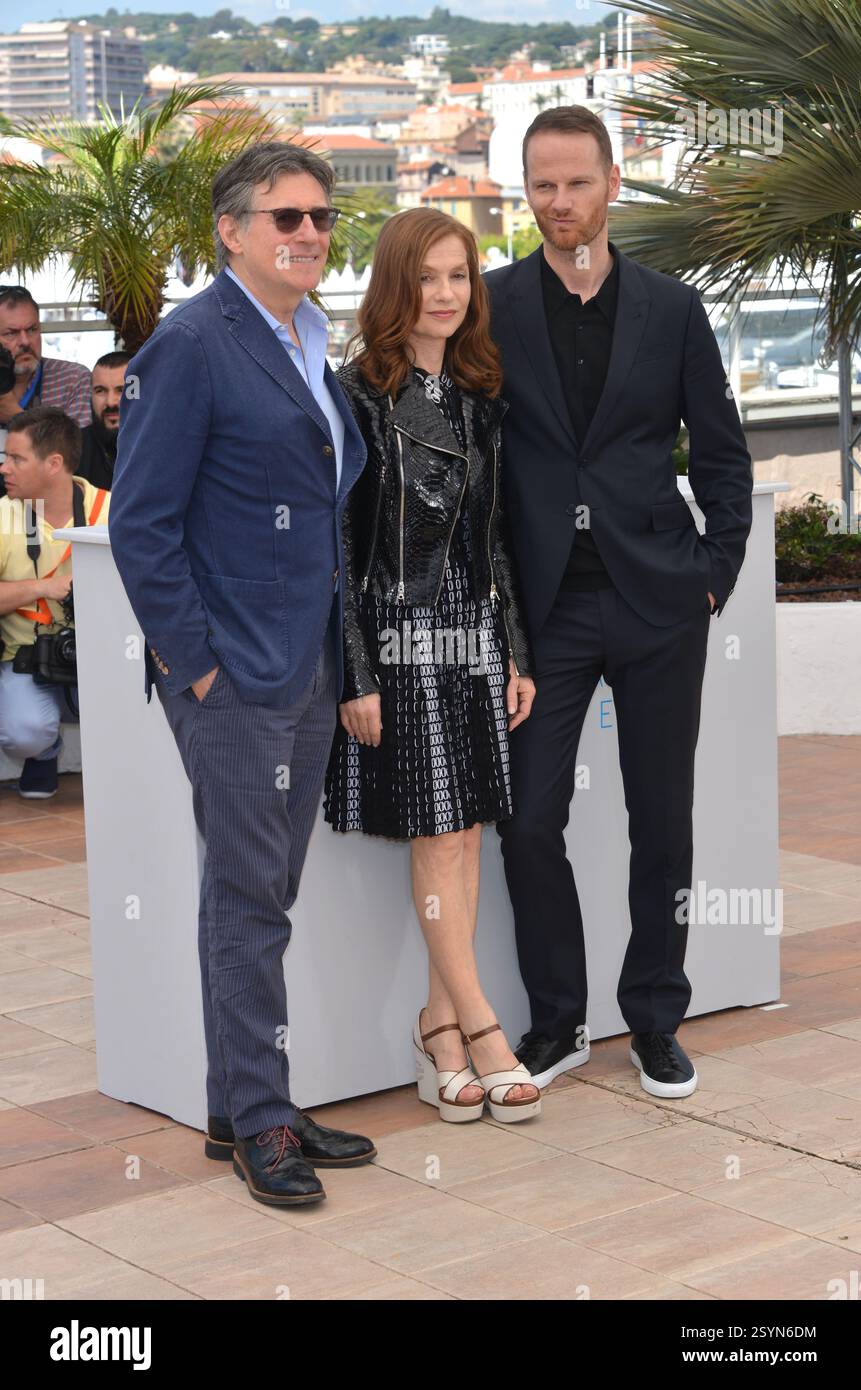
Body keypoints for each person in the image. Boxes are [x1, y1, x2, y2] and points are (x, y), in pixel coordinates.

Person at [107, 141, 376, 1208]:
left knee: (264, 890)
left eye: (319, 216)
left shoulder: (308, 335)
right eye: (285, 217)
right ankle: (262, 1121)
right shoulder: (191, 343)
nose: (309, 232)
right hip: (236, 679)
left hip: (304, 662)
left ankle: (242, 1101)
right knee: (249, 896)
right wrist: (198, 669)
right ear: (230, 230)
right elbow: (141, 523)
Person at [484, 106, 753, 1099]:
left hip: (656, 601)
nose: (560, 203)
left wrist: (712, 577)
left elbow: (724, 460)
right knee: (526, 820)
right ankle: (558, 1021)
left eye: (577, 183)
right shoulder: (491, 303)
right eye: (543, 186)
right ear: (527, 192)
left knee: (664, 822)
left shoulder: (672, 311)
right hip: (542, 610)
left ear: (612, 183)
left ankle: (655, 1018)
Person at [323, 207, 541, 1124]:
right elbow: (335, 547)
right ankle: (481, 1027)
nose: (446, 295)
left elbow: (491, 542)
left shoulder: (481, 395)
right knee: (436, 832)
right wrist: (355, 673)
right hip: (397, 636)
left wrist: (514, 651)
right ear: (394, 286)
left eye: (460, 277)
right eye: (429, 278)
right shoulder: (356, 396)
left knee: (468, 833)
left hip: (471, 640)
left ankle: (436, 1029)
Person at [0, 407, 109, 798]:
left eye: (16, 459)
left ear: (54, 464)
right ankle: (43, 752)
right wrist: (43, 588)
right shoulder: (3, 516)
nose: (4, 469)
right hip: (27, 659)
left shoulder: (113, 510)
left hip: (106, 656)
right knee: (23, 732)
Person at [0, 286, 92, 501]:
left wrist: (14, 415)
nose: (25, 341)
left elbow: (75, 464)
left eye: (32, 329)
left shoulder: (73, 379)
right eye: (11, 333)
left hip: (49, 513)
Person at [78, 352, 132, 488]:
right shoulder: (70, 448)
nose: (110, 402)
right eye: (100, 391)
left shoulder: (163, 448)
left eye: (121, 390)